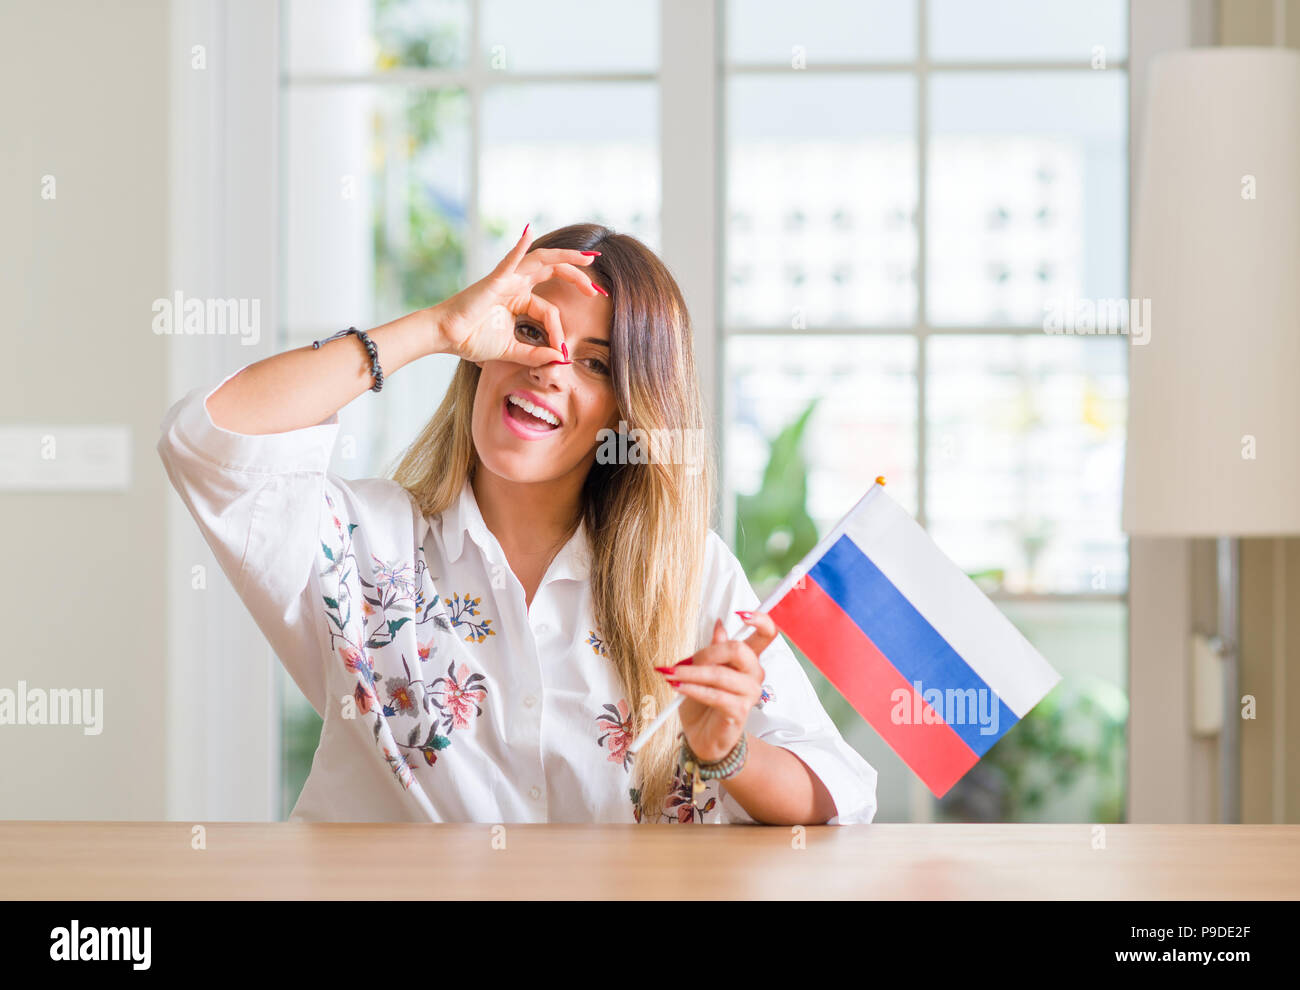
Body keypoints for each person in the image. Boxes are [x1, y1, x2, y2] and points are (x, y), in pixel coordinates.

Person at [156, 221, 878, 825]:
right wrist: (435, 328)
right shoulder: (364, 540)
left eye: (596, 366)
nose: (551, 369)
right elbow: (210, 439)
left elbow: (834, 790)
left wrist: (727, 752)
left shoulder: (685, 571)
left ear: (629, 413)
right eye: (530, 331)